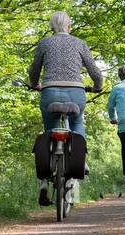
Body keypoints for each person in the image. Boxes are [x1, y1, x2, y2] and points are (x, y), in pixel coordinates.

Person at [27, 11, 104, 206]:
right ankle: (81, 159)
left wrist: (34, 83)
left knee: (49, 131)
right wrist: (97, 86)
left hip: (50, 92)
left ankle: (44, 182)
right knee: (77, 123)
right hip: (76, 94)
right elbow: (95, 71)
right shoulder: (79, 43)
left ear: (52, 26)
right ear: (69, 26)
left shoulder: (45, 43)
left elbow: (34, 69)